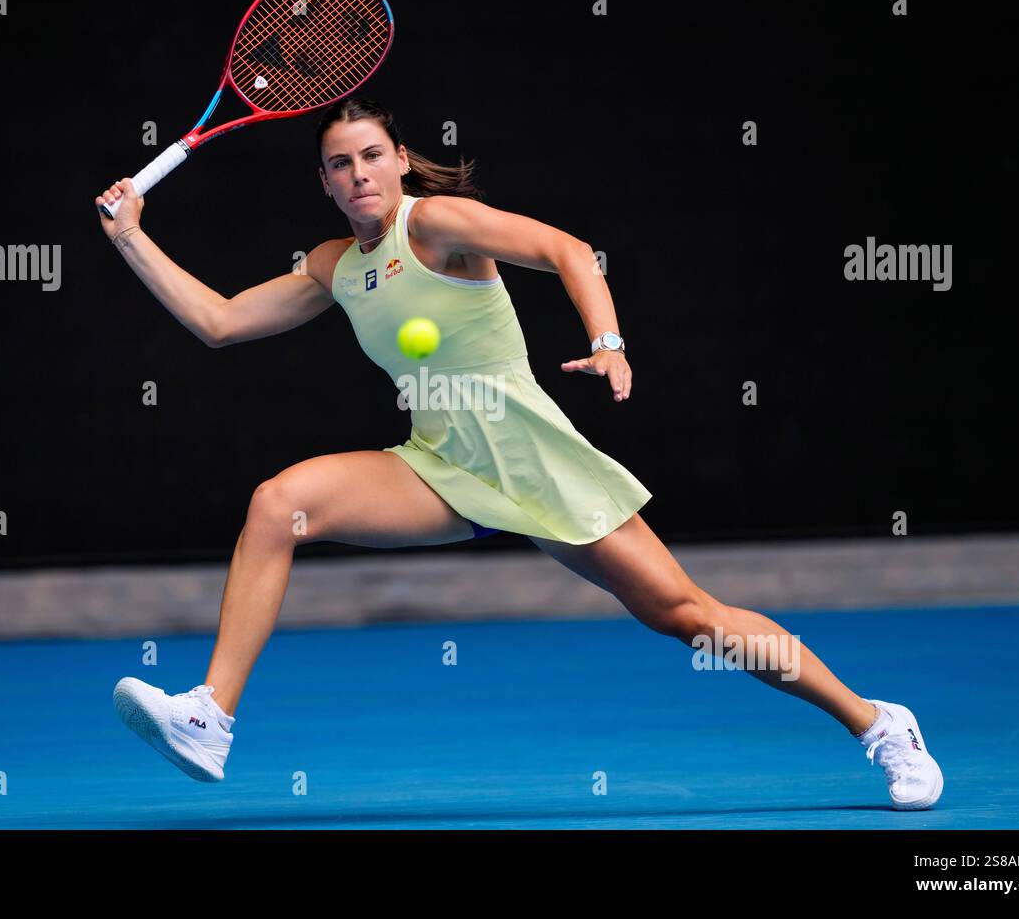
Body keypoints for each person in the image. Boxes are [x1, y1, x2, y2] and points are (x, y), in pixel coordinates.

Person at [95, 97, 943, 810]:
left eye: (372, 156)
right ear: (322, 181)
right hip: (439, 466)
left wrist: (607, 341)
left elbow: (567, 251)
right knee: (280, 503)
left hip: (532, 458)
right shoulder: (333, 266)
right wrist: (131, 235)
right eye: (339, 163)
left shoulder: (438, 225)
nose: (357, 173)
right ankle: (209, 716)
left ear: (399, 163)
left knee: (689, 619)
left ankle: (878, 724)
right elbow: (219, 322)